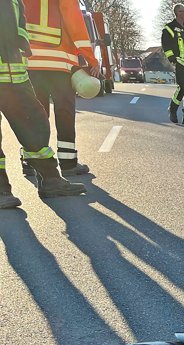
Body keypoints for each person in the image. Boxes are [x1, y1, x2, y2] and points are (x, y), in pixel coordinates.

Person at [0, 0, 85, 207]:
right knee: (33, 123)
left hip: (12, 72)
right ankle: (3, 190)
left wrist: (21, 44)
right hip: (8, 74)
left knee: (34, 124)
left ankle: (50, 179)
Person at [22, 0, 100, 176]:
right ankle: (68, 163)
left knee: (34, 114)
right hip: (59, 64)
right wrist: (91, 58)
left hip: (30, 62)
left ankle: (31, 162)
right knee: (64, 113)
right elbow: (75, 22)